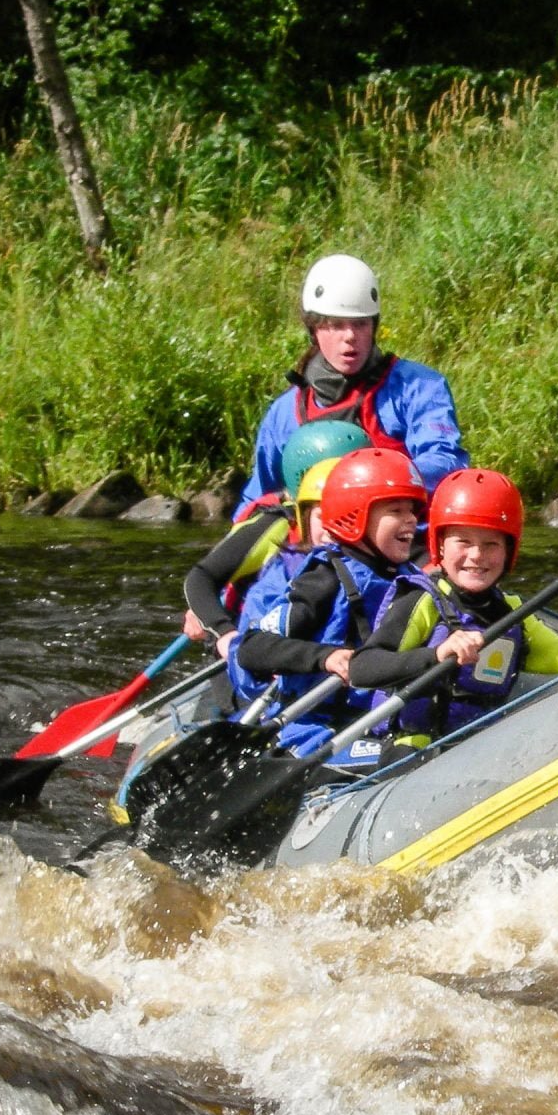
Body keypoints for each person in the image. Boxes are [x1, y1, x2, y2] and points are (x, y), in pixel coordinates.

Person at [349, 469, 558, 764]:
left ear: (508, 551)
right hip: (416, 747)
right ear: (440, 545)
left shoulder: (514, 613)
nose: (476, 555)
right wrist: (437, 654)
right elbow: (362, 669)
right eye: (463, 542)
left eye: (491, 544)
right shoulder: (422, 600)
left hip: (484, 751)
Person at [233, 448, 428, 766]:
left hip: (378, 723)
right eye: (396, 510)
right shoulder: (324, 578)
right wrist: (325, 657)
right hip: (317, 733)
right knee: (404, 758)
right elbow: (252, 648)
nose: (411, 521)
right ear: (356, 515)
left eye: (412, 511)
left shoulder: (412, 579)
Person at [237, 253, 468, 513]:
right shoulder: (284, 412)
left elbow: (445, 462)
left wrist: (369, 482)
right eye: (335, 325)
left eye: (360, 324)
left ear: (374, 326)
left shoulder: (418, 387)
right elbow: (257, 495)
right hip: (319, 540)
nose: (350, 336)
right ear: (314, 331)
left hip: (400, 537)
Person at [183, 420, 370, 660]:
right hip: (249, 644)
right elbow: (201, 578)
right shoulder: (277, 525)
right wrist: (222, 631)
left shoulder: (377, 522)